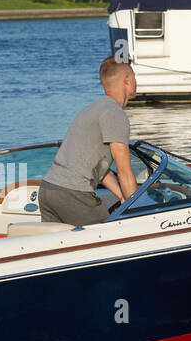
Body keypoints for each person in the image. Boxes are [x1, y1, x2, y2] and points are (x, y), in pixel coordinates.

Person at [38, 56, 139, 226]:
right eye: (135, 76)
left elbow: (100, 168)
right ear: (127, 80)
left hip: (48, 189)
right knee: (108, 238)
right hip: (72, 193)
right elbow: (124, 171)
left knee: (63, 248)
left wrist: (122, 196)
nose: (136, 81)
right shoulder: (114, 114)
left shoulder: (91, 109)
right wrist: (137, 210)